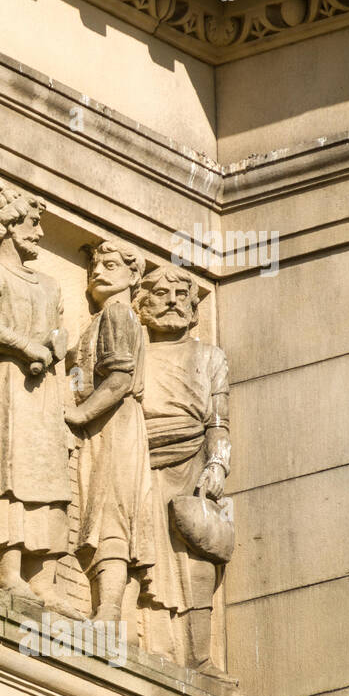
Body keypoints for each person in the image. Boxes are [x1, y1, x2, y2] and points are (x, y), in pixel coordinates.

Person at [0, 187, 74, 614]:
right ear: (10, 226)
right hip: (6, 385)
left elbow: (56, 331)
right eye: (32, 223)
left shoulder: (49, 285)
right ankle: (9, 570)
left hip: (44, 391)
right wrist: (26, 348)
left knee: (48, 476)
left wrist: (56, 345)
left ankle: (45, 579)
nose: (41, 232)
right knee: (7, 473)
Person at [136, 265, 232, 675]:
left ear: (194, 309)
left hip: (192, 461)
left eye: (181, 294)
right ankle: (147, 639)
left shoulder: (209, 356)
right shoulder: (136, 350)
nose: (173, 300)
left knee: (198, 556)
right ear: (142, 304)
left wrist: (218, 463)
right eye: (161, 293)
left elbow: (217, 422)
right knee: (143, 552)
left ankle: (198, 656)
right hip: (139, 458)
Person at [63, 240, 156, 622]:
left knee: (110, 512)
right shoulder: (103, 318)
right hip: (103, 421)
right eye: (94, 267)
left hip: (114, 424)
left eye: (111, 265)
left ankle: (110, 609)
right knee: (96, 510)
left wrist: (79, 415)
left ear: (133, 275)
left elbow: (118, 379)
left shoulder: (118, 314)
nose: (98, 273)